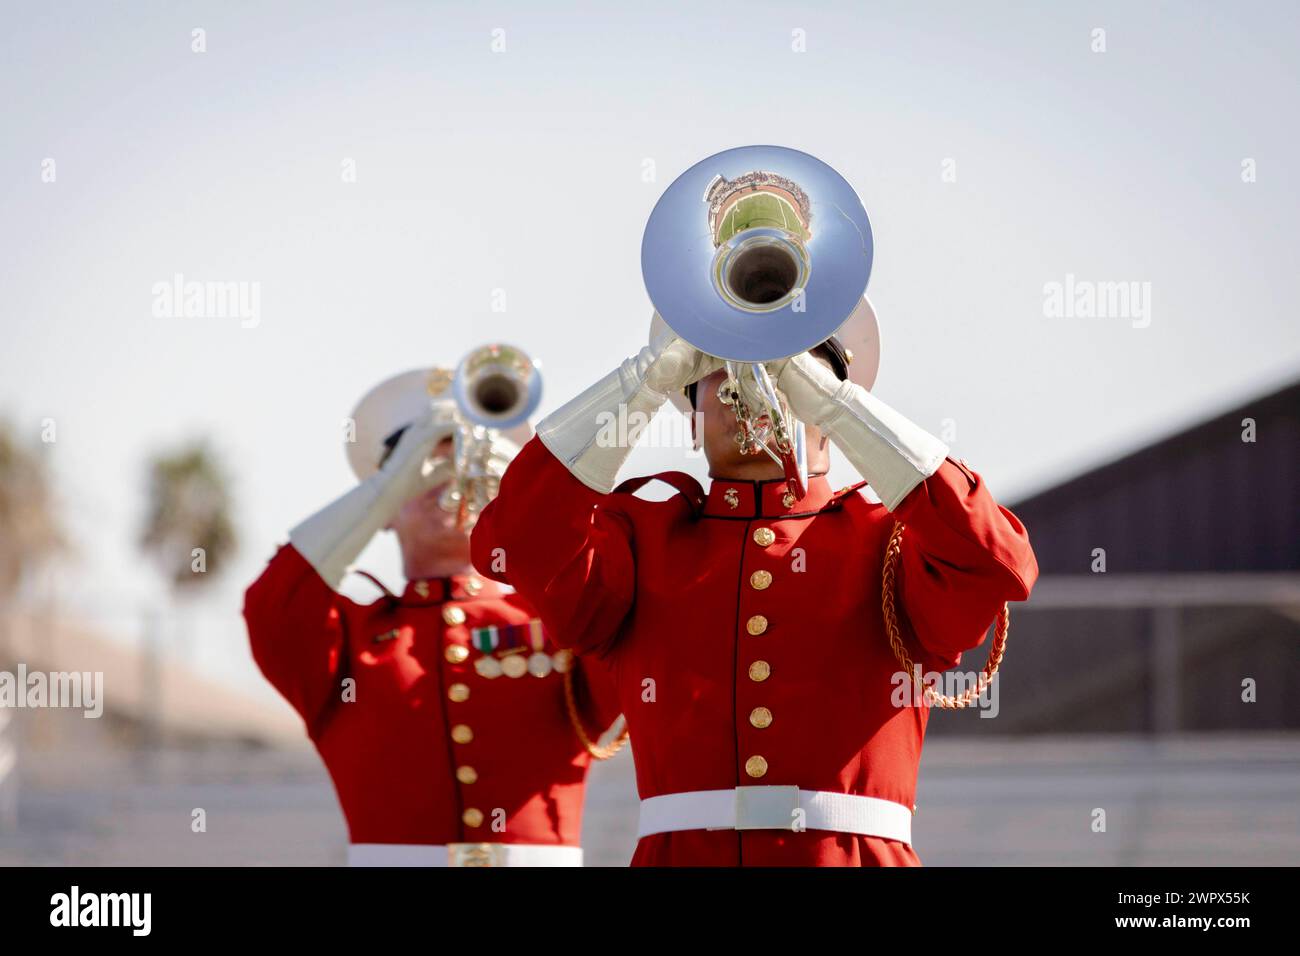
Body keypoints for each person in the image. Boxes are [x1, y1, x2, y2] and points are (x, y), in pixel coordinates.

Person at [469, 305, 1038, 866]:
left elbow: (997, 561)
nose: (754, 380)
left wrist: (837, 404)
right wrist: (643, 382)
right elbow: (512, 543)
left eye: (790, 360)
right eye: (717, 368)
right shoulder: (641, 537)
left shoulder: (892, 540)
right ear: (690, 419)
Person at [243, 367, 621, 867]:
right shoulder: (353, 635)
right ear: (384, 508)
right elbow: (273, 605)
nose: (448, 474)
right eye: (422, 465)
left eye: (459, 460)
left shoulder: (560, 617)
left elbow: (632, 608)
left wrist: (530, 487)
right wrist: (385, 489)